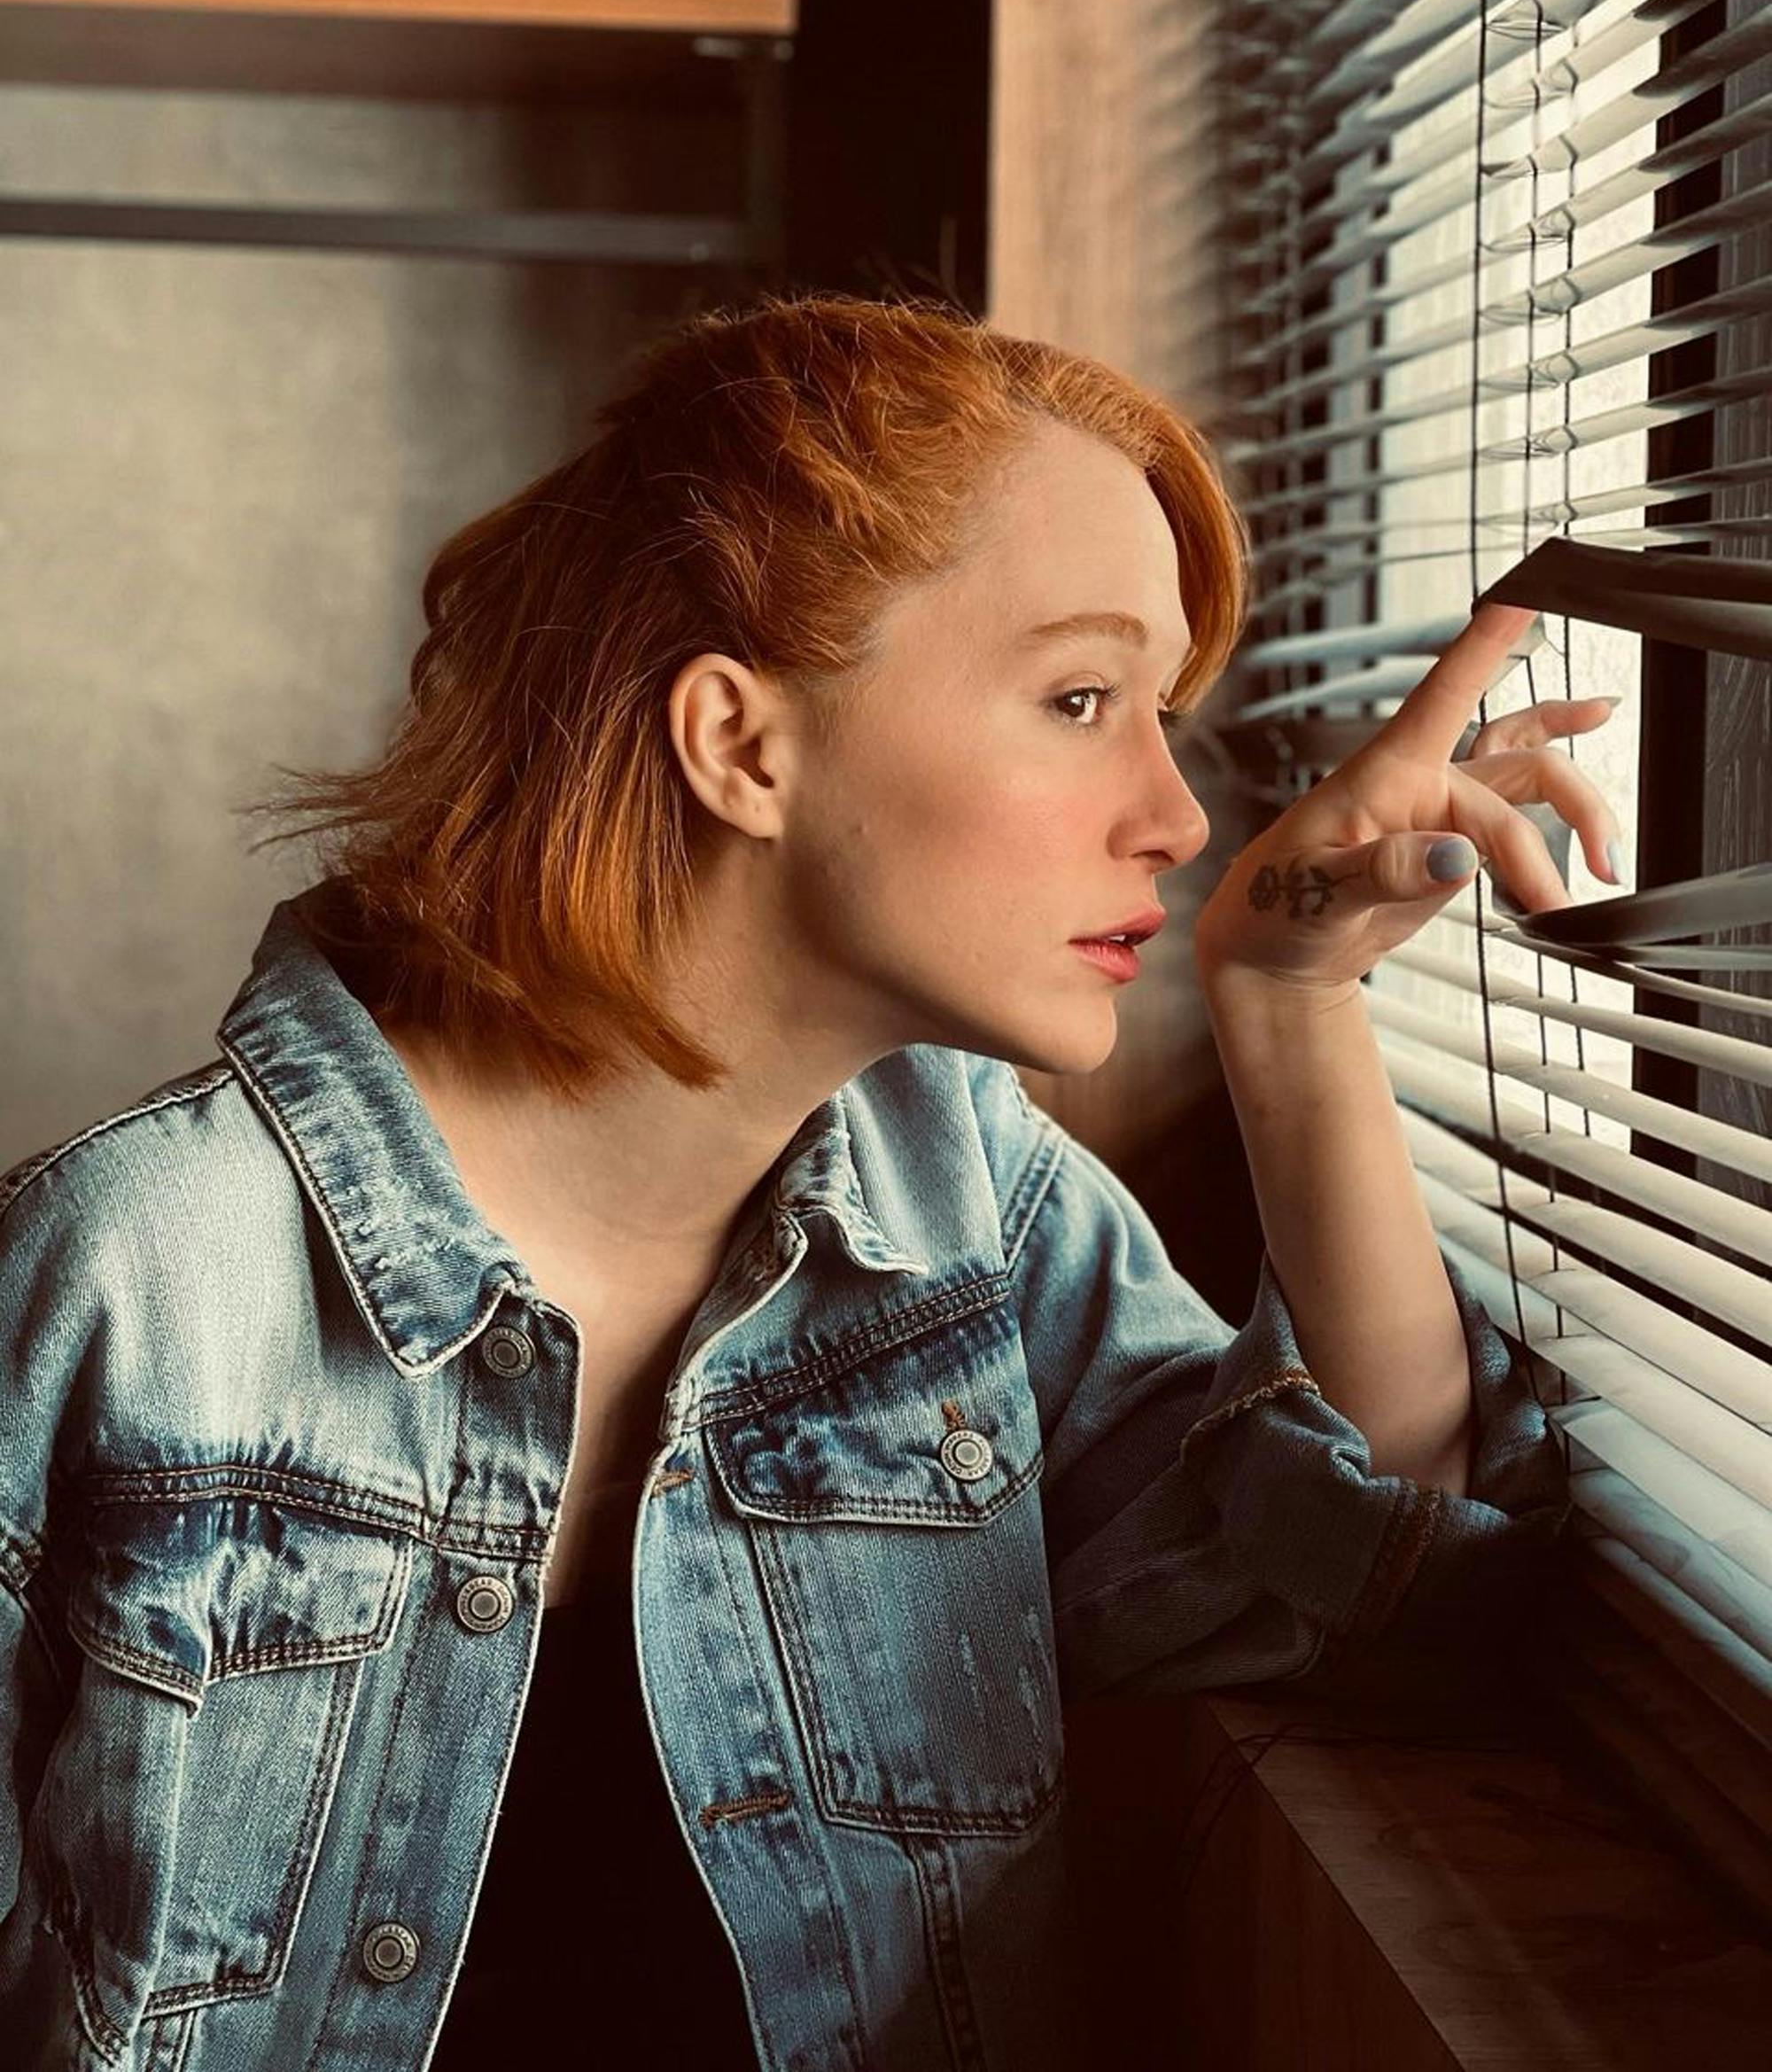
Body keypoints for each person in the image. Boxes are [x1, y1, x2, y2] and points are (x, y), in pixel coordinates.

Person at [0, 290, 1613, 2072]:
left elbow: (1373, 1589)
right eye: (1082, 697)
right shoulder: (132, 1276)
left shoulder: (967, 1217)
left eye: (1159, 712)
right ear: (741, 743)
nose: (1175, 813)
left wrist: (1291, 1003)